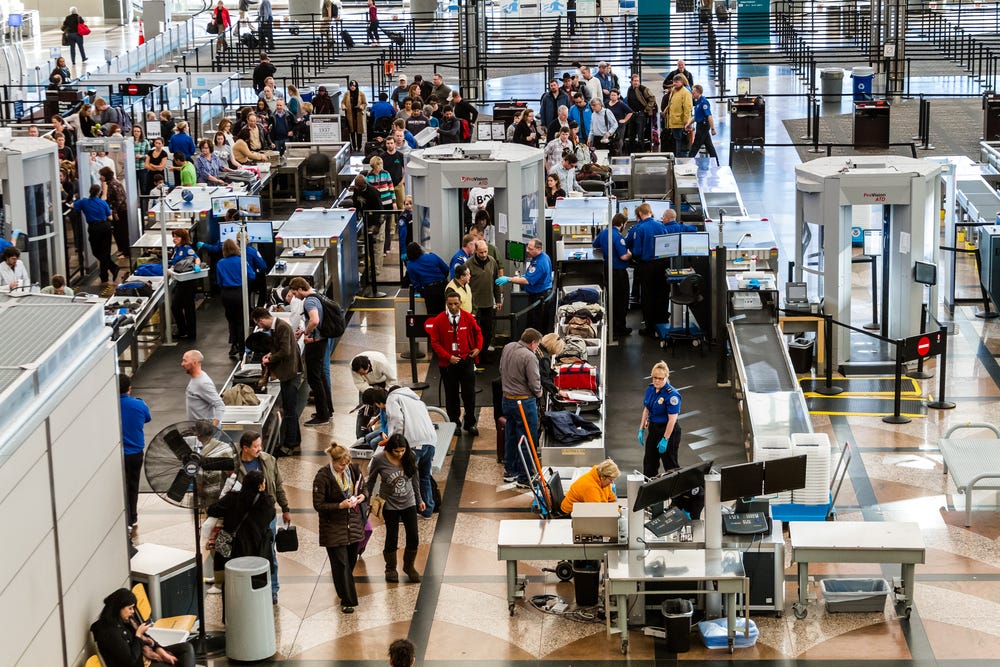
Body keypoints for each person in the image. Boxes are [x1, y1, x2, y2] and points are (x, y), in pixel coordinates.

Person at [234, 430, 290, 603]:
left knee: (269, 552)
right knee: (246, 551)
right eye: (256, 446)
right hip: (245, 516)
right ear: (245, 448)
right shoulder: (234, 465)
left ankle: (272, 588)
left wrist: (285, 507)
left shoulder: (268, 460)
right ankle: (249, 587)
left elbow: (278, 485)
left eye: (260, 445)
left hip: (266, 515)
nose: (260, 449)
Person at [207, 469, 275, 605]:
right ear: (260, 486)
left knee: (232, 581)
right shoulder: (266, 503)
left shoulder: (232, 498)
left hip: (233, 549)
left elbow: (212, 510)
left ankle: (232, 614)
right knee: (253, 583)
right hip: (257, 550)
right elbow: (270, 517)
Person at [314, 443, 367, 613]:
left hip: (353, 524)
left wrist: (362, 497)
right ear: (333, 460)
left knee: (350, 562)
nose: (344, 467)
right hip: (333, 527)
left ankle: (343, 588)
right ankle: (348, 600)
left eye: (346, 464)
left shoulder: (353, 470)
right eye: (341, 464)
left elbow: (364, 488)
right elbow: (318, 504)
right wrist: (339, 505)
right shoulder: (323, 477)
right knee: (341, 564)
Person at [366, 433, 424, 582]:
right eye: (396, 451)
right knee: (392, 536)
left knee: (414, 536)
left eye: (402, 451)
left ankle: (409, 566)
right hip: (389, 504)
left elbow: (415, 479)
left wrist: (419, 499)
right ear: (390, 448)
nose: (400, 454)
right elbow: (371, 481)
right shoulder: (379, 459)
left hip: (409, 502)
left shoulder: (409, 456)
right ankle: (390, 568)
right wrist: (366, 500)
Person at [90, 588, 196, 667]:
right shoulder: (110, 632)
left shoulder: (126, 620)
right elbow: (131, 661)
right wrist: (138, 636)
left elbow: (146, 636)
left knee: (186, 648)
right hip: (139, 663)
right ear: (118, 608)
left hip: (146, 655)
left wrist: (159, 650)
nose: (132, 612)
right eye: (130, 608)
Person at [427, 290, 483, 434]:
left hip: (466, 361)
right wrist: (447, 357)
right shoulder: (439, 320)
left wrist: (478, 347)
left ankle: (470, 422)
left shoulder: (467, 317)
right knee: (451, 395)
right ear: (446, 303)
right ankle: (454, 423)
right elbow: (435, 342)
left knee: (469, 394)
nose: (453, 307)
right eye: (450, 304)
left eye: (456, 304)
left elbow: (478, 332)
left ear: (460, 303)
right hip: (448, 365)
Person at [252, 308, 303, 453]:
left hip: (291, 374)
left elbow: (285, 351)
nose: (260, 327)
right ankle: (294, 441)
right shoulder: (277, 328)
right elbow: (281, 348)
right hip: (286, 373)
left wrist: (271, 358)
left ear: (261, 320)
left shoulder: (282, 327)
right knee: (289, 408)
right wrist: (270, 354)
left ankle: (291, 444)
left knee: (290, 410)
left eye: (259, 324)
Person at [382, 385, 438, 516]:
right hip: (430, 441)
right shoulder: (417, 400)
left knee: (405, 478)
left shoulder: (392, 398)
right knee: (424, 476)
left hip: (412, 443)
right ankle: (428, 510)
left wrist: (394, 442)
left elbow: (397, 420)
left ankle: (404, 513)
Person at [499, 328, 543, 487]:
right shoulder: (529, 356)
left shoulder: (508, 347)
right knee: (527, 438)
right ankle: (525, 478)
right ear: (533, 343)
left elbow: (501, 369)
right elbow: (534, 382)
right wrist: (540, 393)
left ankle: (510, 471)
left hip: (507, 399)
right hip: (524, 403)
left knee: (511, 435)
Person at [287, 277, 334, 427]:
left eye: (295, 293)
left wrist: (306, 333)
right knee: (320, 376)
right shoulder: (317, 294)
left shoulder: (309, 301)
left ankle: (322, 415)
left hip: (316, 342)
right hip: (322, 340)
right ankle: (327, 409)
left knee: (314, 379)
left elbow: (314, 320)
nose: (295, 296)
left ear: (300, 289)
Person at [496, 238, 553, 334]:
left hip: (539, 297)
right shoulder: (541, 257)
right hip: (538, 294)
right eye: (527, 247)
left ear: (538, 249)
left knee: (535, 326)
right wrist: (523, 276)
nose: (527, 250)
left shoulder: (540, 262)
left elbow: (527, 281)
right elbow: (532, 275)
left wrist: (508, 279)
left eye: (530, 249)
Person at [627, 202, 668, 336]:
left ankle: (649, 328)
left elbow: (637, 250)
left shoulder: (640, 228)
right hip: (662, 264)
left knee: (648, 296)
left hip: (647, 266)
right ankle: (661, 323)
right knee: (661, 294)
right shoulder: (661, 226)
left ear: (639, 214)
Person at [638, 361, 683, 477]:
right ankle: (649, 489)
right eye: (654, 377)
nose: (656, 380)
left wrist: (665, 439)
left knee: (670, 464)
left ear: (666, 378)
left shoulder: (672, 395)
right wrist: (641, 429)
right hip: (654, 429)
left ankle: (675, 493)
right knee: (649, 463)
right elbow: (646, 409)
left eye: (660, 378)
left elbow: (672, 420)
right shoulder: (651, 389)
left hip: (668, 430)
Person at [119, 374, 151, 532]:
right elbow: (147, 418)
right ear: (129, 388)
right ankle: (133, 516)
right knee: (133, 484)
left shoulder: (112, 406)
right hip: (135, 452)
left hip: (118, 454)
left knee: (120, 486)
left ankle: (122, 517)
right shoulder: (139, 404)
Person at [592, 212, 632, 336]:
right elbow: (624, 256)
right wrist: (630, 253)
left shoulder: (604, 232)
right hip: (619, 273)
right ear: (621, 224)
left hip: (607, 271)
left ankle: (612, 325)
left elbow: (595, 245)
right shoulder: (618, 237)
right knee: (621, 301)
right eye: (625, 224)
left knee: (611, 300)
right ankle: (620, 328)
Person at [216, 238, 256, 358]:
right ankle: (243, 348)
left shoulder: (220, 263)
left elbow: (219, 281)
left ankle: (233, 345)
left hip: (226, 294)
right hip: (240, 292)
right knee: (241, 320)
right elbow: (252, 275)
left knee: (231, 319)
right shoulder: (242, 261)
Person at [73, 184, 118, 283]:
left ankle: (108, 273)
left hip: (94, 228)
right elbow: (110, 217)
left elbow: (73, 206)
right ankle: (109, 271)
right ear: (99, 192)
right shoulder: (103, 203)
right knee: (105, 252)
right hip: (106, 227)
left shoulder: (84, 202)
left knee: (96, 252)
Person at [168, 229, 200, 339]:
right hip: (180, 280)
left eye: (177, 237)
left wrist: (197, 266)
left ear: (183, 238)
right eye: (174, 236)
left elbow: (197, 259)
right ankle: (183, 330)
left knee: (187, 308)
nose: (174, 239)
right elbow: (174, 262)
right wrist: (172, 267)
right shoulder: (176, 248)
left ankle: (189, 333)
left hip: (188, 282)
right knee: (178, 307)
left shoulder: (187, 249)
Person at [404, 242, 449, 315]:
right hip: (444, 287)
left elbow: (416, 284)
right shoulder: (432, 256)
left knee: (432, 316)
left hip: (430, 291)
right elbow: (446, 269)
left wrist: (422, 292)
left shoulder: (410, 265)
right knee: (445, 314)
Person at [181, 350, 225, 425]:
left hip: (205, 433)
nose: (182, 364)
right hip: (198, 430)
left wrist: (212, 429)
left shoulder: (203, 383)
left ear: (194, 363)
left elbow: (220, 406)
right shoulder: (195, 378)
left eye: (185, 361)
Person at [687, 84, 719, 163]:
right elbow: (696, 116)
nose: (692, 94)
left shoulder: (704, 102)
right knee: (709, 146)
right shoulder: (698, 102)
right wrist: (688, 123)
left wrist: (713, 129)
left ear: (698, 92)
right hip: (700, 125)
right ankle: (716, 163)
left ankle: (687, 162)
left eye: (693, 92)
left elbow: (709, 116)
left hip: (703, 126)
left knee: (695, 146)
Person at [663, 74, 693, 156]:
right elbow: (670, 103)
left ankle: (682, 160)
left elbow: (687, 109)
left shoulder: (686, 93)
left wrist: (686, 123)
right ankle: (677, 157)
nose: (675, 83)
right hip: (673, 121)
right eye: (674, 82)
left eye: (677, 82)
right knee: (677, 141)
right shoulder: (674, 90)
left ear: (682, 82)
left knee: (681, 143)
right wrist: (665, 111)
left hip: (680, 123)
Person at [626, 73, 657, 150]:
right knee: (631, 135)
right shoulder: (629, 89)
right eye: (635, 81)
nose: (636, 82)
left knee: (640, 135)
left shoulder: (643, 89)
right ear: (631, 81)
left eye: (638, 81)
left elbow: (652, 98)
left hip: (641, 114)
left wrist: (646, 109)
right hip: (632, 114)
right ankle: (631, 152)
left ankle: (641, 152)